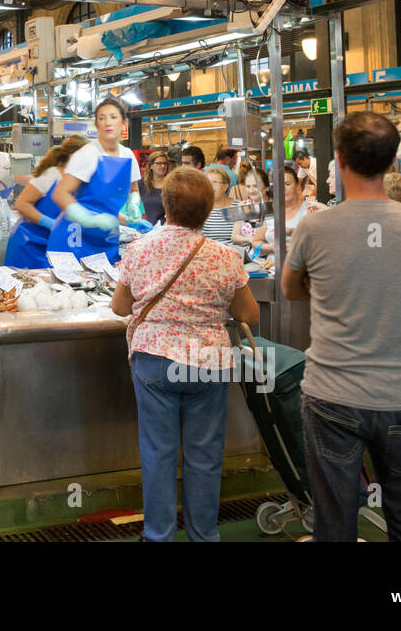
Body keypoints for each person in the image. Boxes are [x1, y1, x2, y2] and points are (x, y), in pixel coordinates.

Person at [283, 112, 401, 542]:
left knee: (335, 522)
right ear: (392, 162)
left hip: (332, 395)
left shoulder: (315, 226)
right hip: (400, 393)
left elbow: (291, 289)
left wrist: (330, 284)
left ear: (339, 160)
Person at [112, 167, 258, 541]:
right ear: (209, 209)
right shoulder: (227, 257)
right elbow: (248, 314)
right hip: (208, 363)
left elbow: (119, 307)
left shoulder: (139, 249)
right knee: (205, 455)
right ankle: (204, 535)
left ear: (166, 204)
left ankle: (158, 535)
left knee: (158, 454)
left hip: (154, 360)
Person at [47, 99, 142, 263]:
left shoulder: (128, 156)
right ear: (97, 125)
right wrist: (87, 219)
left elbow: (133, 188)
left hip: (106, 236)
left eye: (113, 117)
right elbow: (61, 193)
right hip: (75, 236)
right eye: (102, 118)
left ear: (124, 123)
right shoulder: (87, 154)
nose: (107, 123)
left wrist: (133, 205)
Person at [3, 136, 88, 269]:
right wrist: (50, 223)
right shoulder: (50, 175)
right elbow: (21, 204)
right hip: (30, 245)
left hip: (56, 244)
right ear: (73, 157)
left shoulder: (79, 179)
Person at [253, 164, 321, 257]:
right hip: (272, 268)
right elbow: (255, 244)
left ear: (297, 186)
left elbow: (319, 243)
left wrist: (294, 244)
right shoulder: (270, 211)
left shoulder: (310, 209)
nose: (283, 188)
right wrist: (271, 248)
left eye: (287, 184)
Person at [200, 166, 237, 243]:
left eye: (215, 182)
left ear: (226, 186)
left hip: (233, 252)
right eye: (208, 182)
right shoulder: (200, 208)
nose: (211, 186)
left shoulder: (238, 206)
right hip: (209, 252)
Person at [140, 151, 170, 226]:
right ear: (151, 166)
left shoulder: (171, 185)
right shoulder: (140, 184)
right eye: (159, 163)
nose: (163, 166)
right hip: (143, 229)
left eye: (165, 163)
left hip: (164, 230)